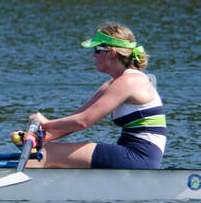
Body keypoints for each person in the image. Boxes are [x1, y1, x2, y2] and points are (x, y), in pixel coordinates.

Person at [13, 25, 165, 169]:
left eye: (97, 49)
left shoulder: (130, 81)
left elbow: (83, 122)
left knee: (50, 153)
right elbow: (76, 118)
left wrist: (46, 123)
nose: (93, 55)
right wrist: (37, 138)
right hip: (128, 151)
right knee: (45, 151)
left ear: (111, 52)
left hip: (141, 155)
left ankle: (9, 189)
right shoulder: (112, 84)